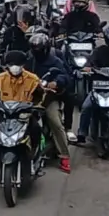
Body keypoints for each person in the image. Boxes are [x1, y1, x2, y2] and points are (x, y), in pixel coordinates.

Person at [0, 51, 44, 191]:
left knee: (36, 131)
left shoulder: (32, 79)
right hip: (4, 117)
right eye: (11, 65)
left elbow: (40, 96)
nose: (15, 67)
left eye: (18, 64)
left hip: (25, 117)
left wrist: (36, 107)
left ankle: (33, 160)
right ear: (7, 66)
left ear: (23, 65)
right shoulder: (0, 80)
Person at [24, 32, 72, 173]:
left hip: (48, 98)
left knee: (55, 122)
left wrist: (55, 83)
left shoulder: (55, 61)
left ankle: (64, 155)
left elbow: (65, 76)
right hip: (30, 98)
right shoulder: (29, 59)